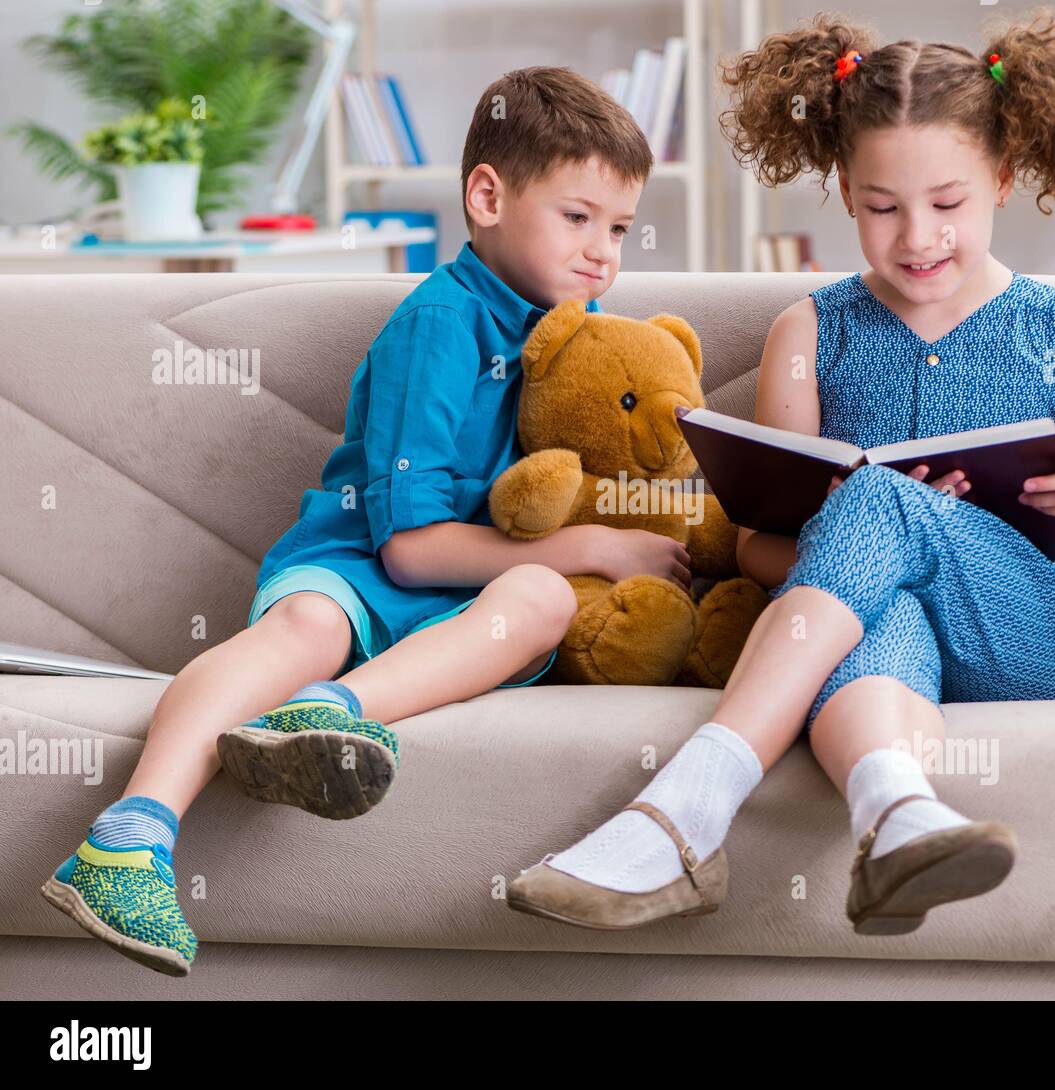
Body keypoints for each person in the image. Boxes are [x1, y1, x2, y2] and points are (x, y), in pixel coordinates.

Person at [506, 10, 1055, 936]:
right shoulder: (810, 333)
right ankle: (900, 817)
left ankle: (687, 807)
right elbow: (760, 548)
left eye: (949, 204)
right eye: (883, 208)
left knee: (879, 502)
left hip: (1014, 636)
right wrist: (866, 539)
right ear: (846, 190)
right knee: (878, 599)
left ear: (1004, 178)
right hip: (859, 637)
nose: (918, 236)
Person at [40, 66, 686, 977]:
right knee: (308, 626)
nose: (602, 253)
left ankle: (330, 715)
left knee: (543, 599)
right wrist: (589, 544)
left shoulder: (577, 336)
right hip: (363, 564)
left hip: (462, 603)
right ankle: (129, 838)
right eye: (578, 217)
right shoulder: (442, 323)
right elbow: (411, 551)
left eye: (618, 228)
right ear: (488, 198)